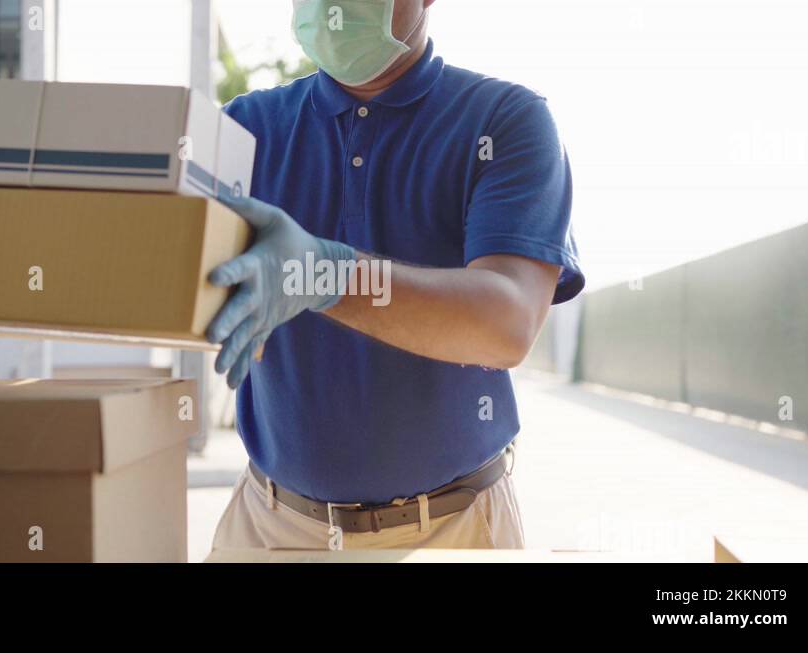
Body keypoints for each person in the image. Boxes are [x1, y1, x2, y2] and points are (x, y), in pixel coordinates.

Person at [207, 0, 584, 551]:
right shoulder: (243, 131)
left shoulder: (504, 121)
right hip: (268, 525)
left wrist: (329, 275)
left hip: (452, 532)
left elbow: (506, 324)